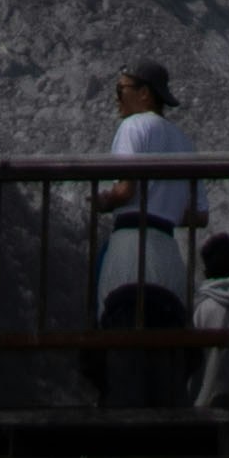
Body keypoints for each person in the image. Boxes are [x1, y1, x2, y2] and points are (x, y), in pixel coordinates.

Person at [91, 67, 204, 407]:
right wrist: (165, 205)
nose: (116, 98)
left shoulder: (133, 126)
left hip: (130, 249)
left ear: (144, 93)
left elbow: (126, 189)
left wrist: (103, 200)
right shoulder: (184, 142)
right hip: (167, 253)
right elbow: (199, 215)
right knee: (164, 354)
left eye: (121, 89)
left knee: (122, 346)